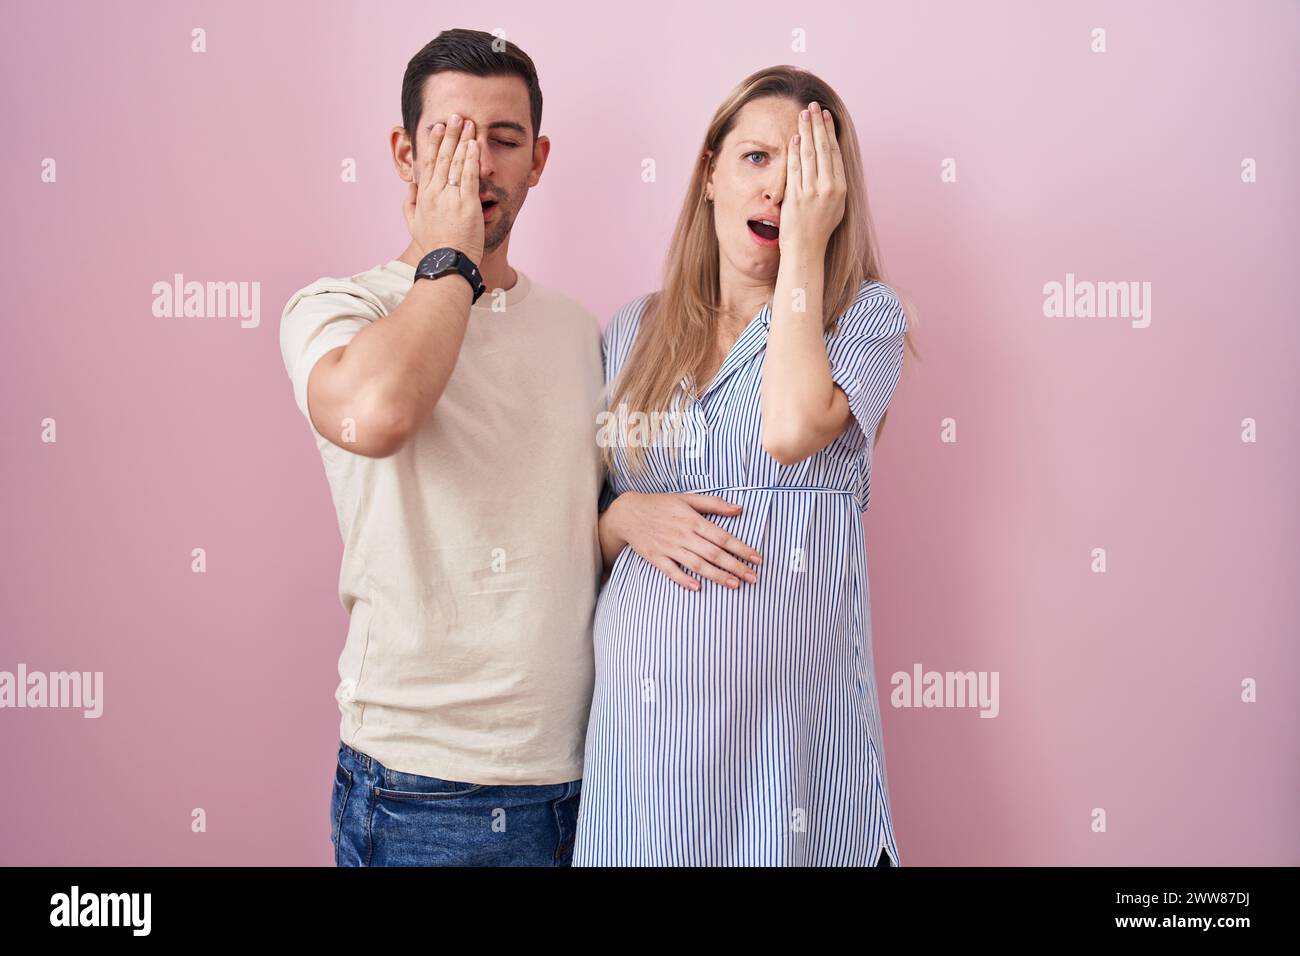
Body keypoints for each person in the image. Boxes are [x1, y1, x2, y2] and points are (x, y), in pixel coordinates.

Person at [277, 28, 604, 866]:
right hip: (425, 790)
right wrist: (451, 255)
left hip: (593, 771)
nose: (481, 165)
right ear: (404, 153)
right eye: (451, 138)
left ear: (538, 159)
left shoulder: (574, 329)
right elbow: (380, 413)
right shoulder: (338, 309)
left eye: (504, 140)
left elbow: (574, 520)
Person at [575, 65, 916, 866]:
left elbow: (793, 428)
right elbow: (573, 531)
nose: (775, 189)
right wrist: (622, 518)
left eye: (801, 173)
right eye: (757, 159)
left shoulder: (863, 317)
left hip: (788, 767)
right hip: (644, 766)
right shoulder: (632, 331)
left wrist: (803, 248)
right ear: (708, 174)